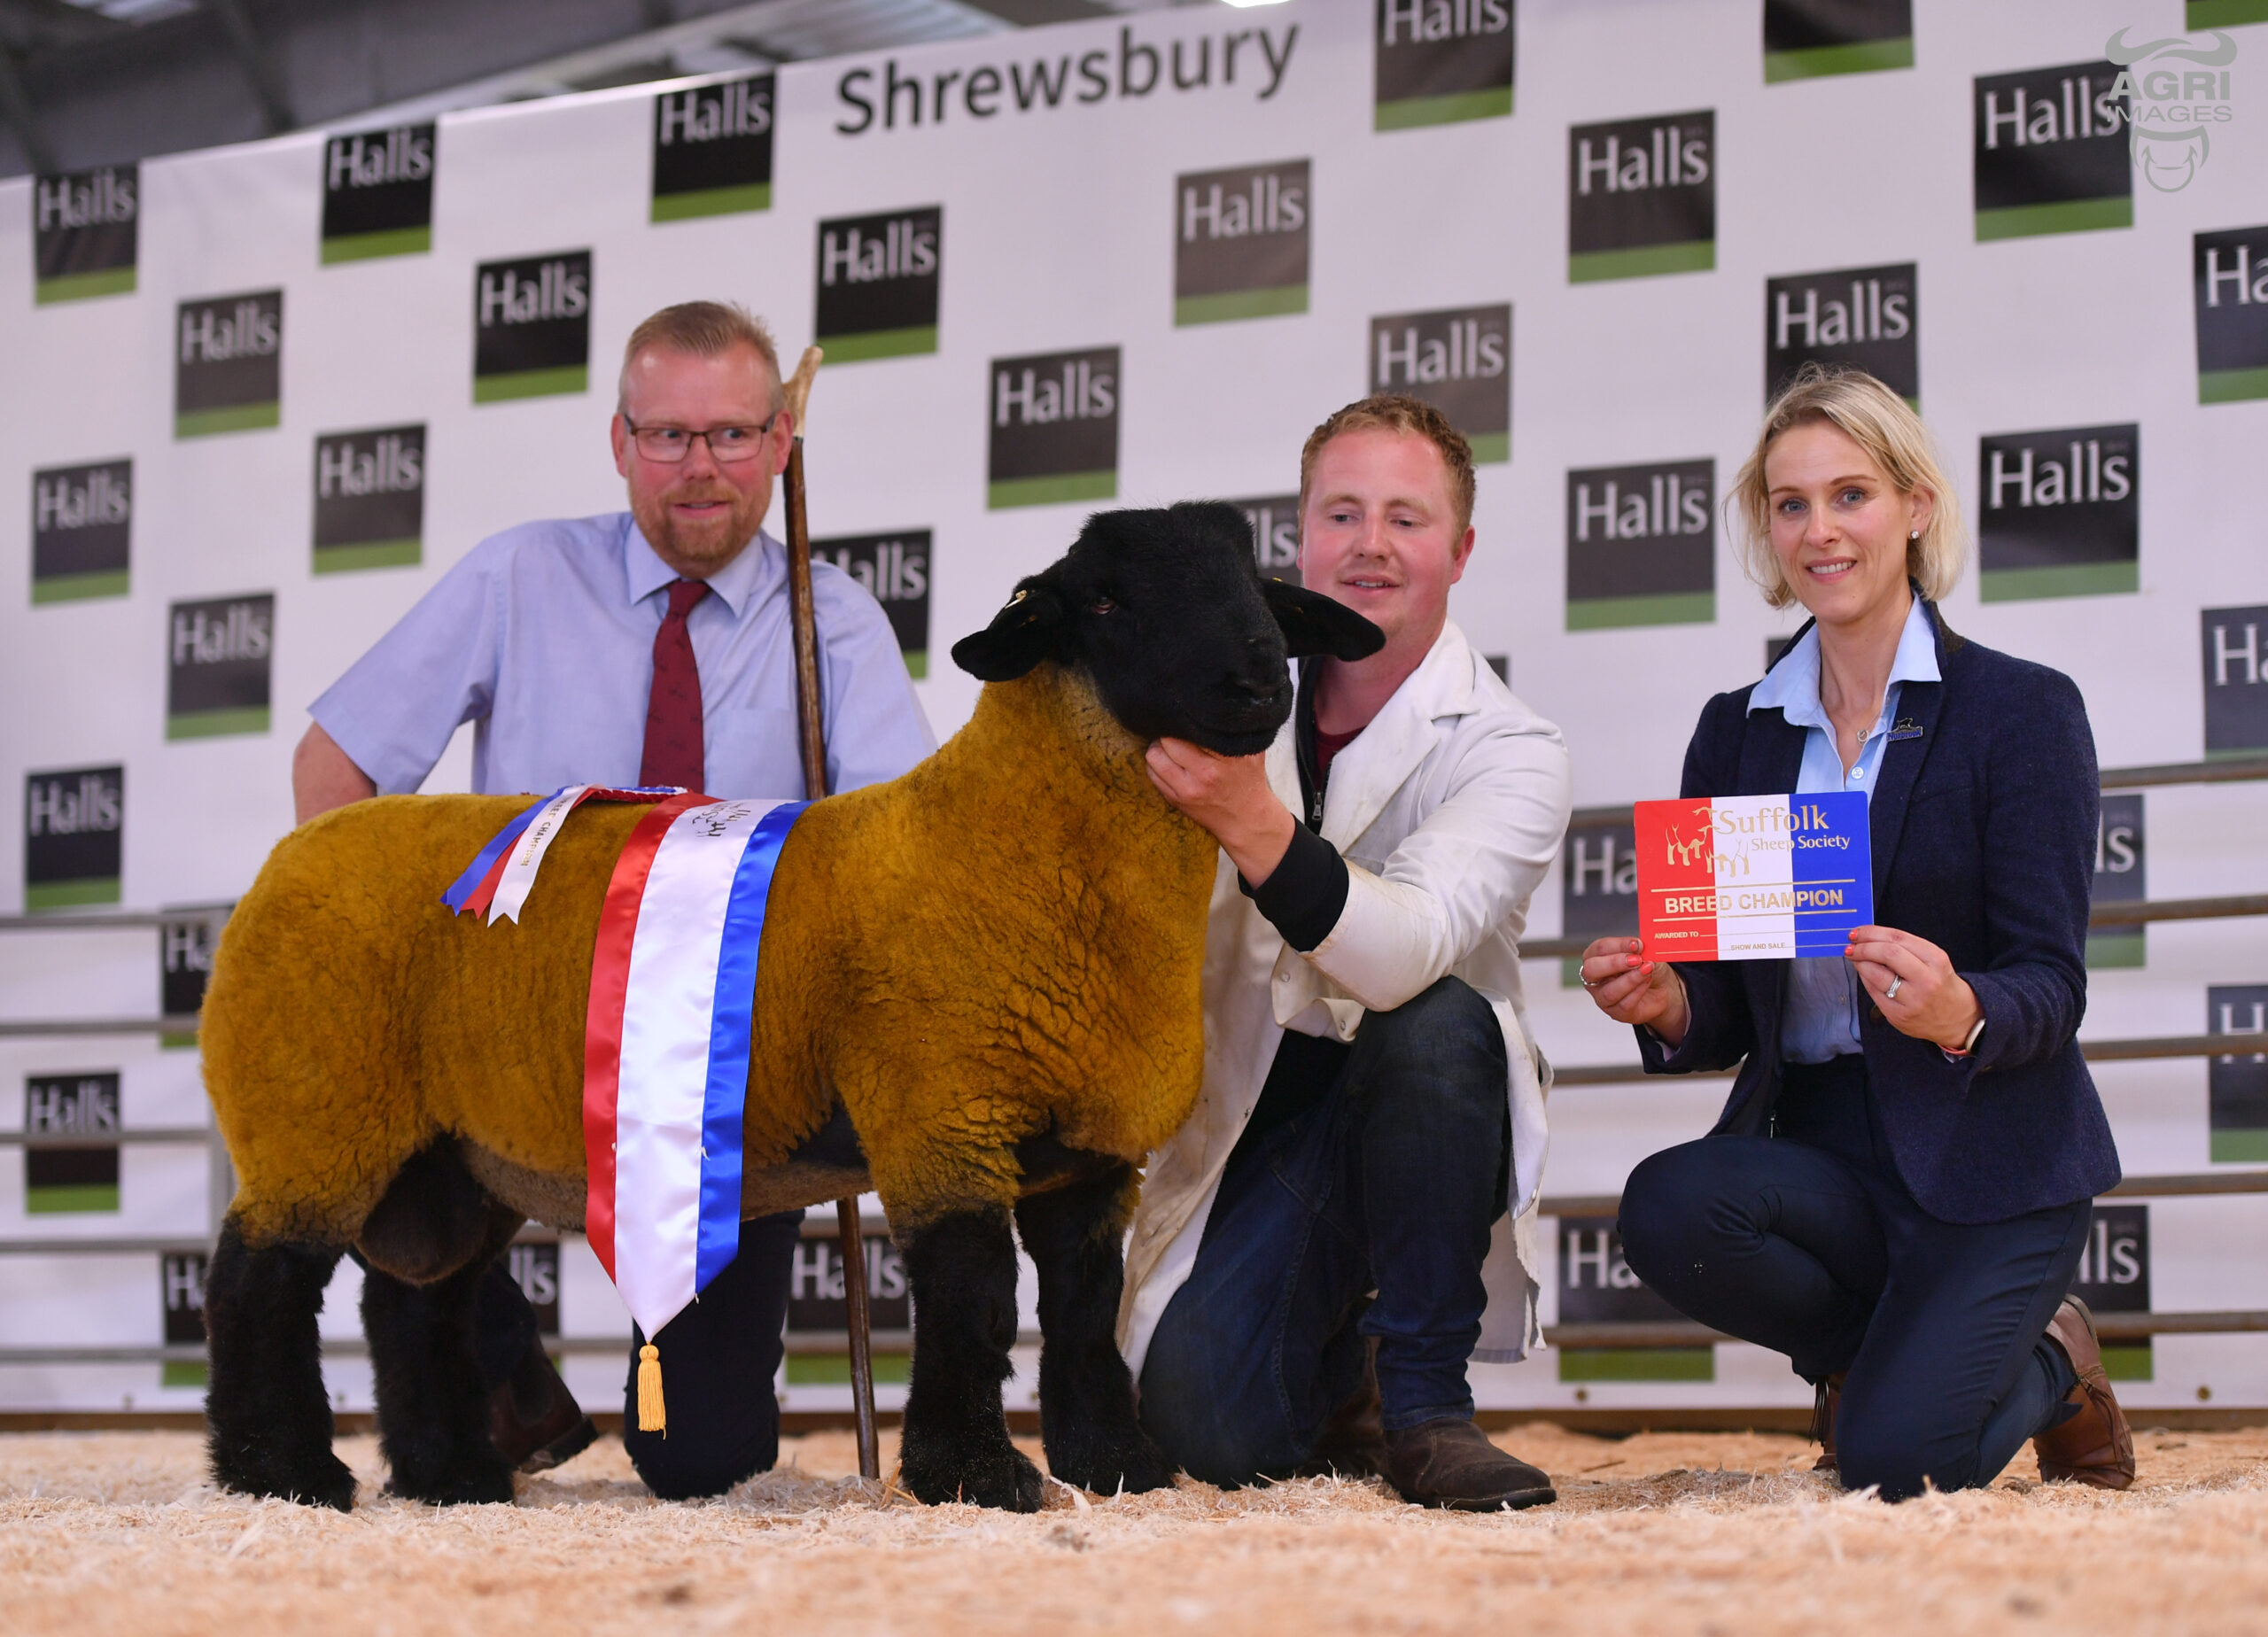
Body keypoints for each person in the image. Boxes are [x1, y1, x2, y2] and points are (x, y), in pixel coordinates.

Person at [292, 300, 934, 1499]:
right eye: (668, 435)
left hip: (725, 1067)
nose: (700, 468)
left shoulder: (833, 621)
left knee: (699, 1461)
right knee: (360, 1073)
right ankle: (492, 1365)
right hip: (518, 1033)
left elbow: (901, 859)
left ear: (781, 442)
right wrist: (389, 972)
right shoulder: (520, 575)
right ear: (619, 443)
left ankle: (654, 1392)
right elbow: (338, 769)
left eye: (732, 434)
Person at [1577, 364, 2132, 1501]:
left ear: (1915, 506)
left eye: (1851, 495)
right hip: (1824, 1146)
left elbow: (2050, 982)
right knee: (1667, 1207)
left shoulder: (2021, 710)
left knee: (1893, 1471)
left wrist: (1961, 1010)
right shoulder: (1736, 732)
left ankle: (2051, 1360)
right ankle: (1888, 1365)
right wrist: (1672, 1003)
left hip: (1992, 1155)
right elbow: (1728, 1002)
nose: (1819, 531)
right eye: (1790, 504)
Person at [1122, 394, 1573, 1510]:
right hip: (1254, 1134)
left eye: (1406, 520)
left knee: (1436, 1018)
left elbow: (1400, 953)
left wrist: (1248, 820)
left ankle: (1424, 1407)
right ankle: (1343, 1372)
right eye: (1342, 514)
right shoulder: (1200, 698)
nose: (1370, 545)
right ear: (1300, 537)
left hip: (1417, 1112)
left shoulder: (1514, 750)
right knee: (1207, 1433)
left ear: (1460, 551)